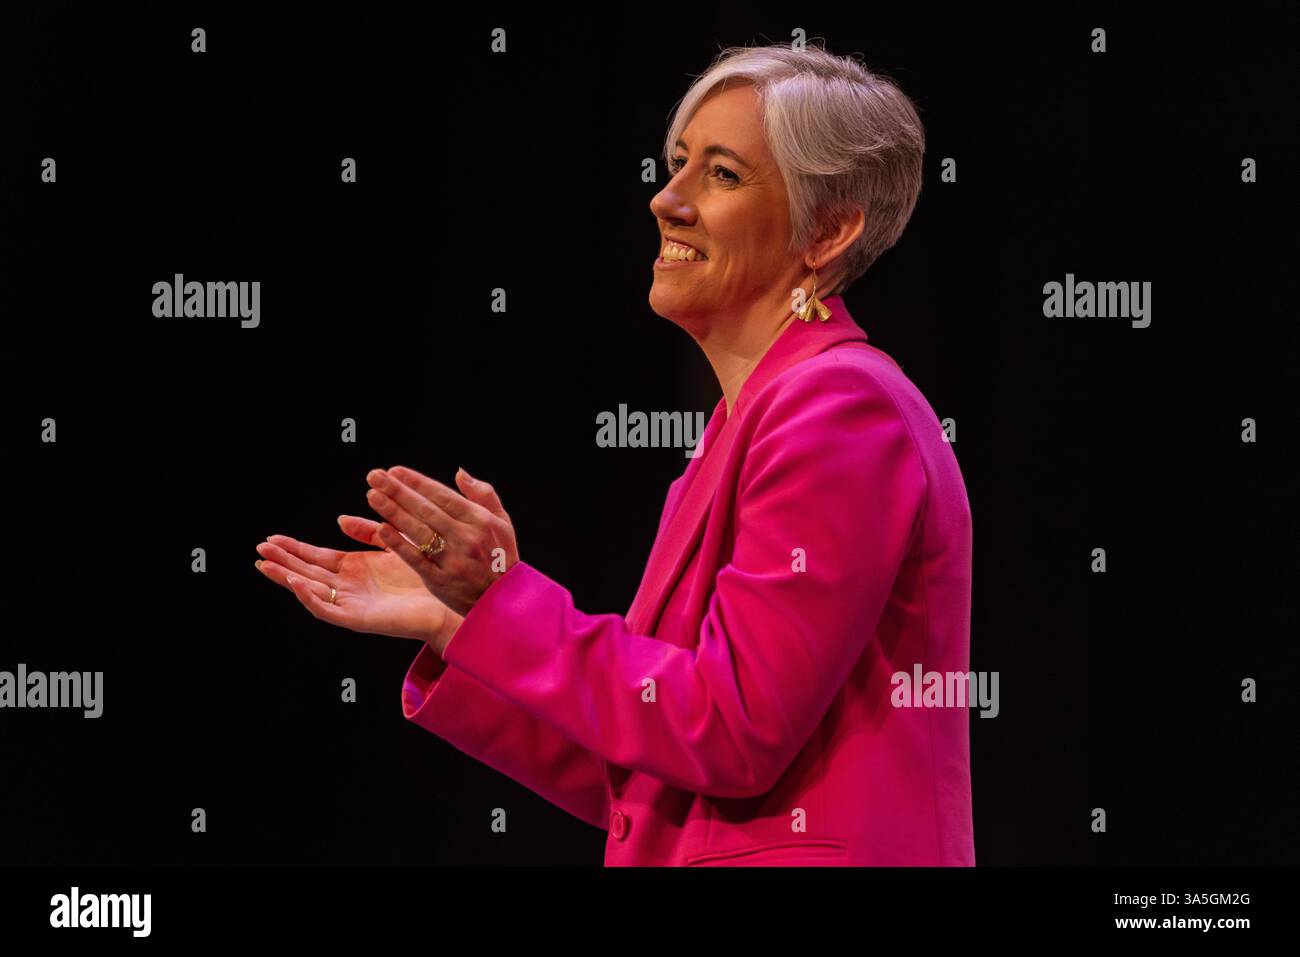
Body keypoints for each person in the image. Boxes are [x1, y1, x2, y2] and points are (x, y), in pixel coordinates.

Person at [255, 42, 974, 866]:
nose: (668, 200)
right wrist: (463, 621)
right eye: (677, 165)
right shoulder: (745, 426)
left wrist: (506, 599)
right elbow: (644, 771)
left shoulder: (838, 408)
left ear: (828, 230)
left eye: (724, 174)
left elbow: (735, 728)